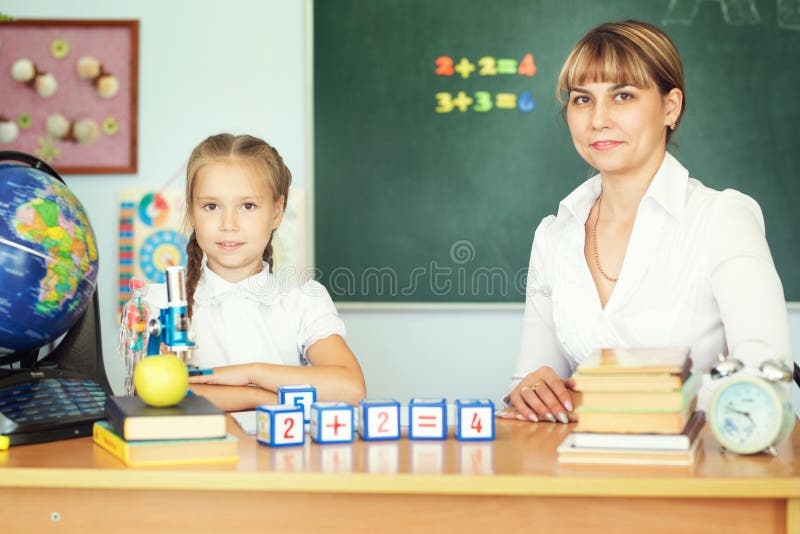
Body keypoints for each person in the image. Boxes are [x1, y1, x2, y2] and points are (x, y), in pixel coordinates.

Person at [500, 20, 791, 424]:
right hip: (581, 472)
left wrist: (604, 400)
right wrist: (531, 393)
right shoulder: (555, 234)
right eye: (583, 99)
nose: (598, 119)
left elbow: (766, 381)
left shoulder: (722, 218)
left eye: (622, 96)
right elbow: (530, 386)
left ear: (670, 107)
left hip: (698, 473)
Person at [151, 133, 366, 411]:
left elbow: (350, 388)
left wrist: (251, 373)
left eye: (248, 206)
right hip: (201, 454)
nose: (229, 223)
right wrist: (260, 397)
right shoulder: (161, 302)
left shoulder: (303, 300)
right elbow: (162, 393)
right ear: (191, 212)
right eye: (211, 206)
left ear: (277, 212)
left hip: (287, 455)